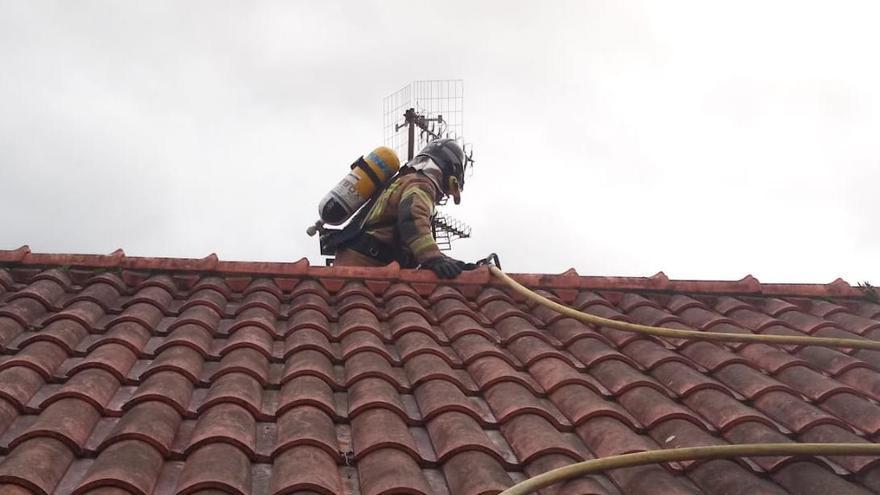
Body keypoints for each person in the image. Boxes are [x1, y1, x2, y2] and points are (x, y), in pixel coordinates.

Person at [332, 139, 470, 279]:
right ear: (449, 178)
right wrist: (434, 259)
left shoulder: (404, 180)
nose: (442, 196)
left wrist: (455, 264)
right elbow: (412, 220)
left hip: (355, 258)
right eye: (448, 191)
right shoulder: (422, 184)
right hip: (366, 265)